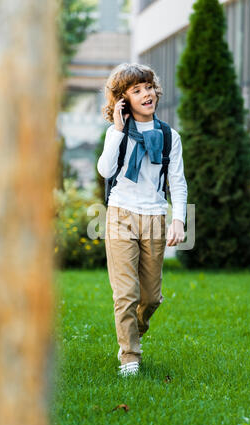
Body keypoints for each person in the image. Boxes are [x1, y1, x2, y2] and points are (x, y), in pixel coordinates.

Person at [97, 63, 187, 376]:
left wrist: (179, 219)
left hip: (155, 218)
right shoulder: (116, 134)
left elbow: (177, 180)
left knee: (150, 297)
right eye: (136, 90)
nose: (146, 93)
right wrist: (119, 130)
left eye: (148, 86)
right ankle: (130, 358)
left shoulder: (168, 135)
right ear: (122, 101)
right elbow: (105, 171)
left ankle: (134, 331)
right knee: (125, 294)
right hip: (120, 215)